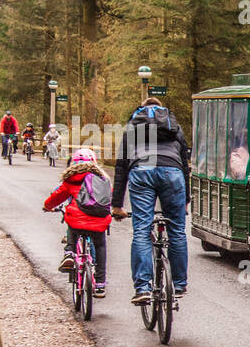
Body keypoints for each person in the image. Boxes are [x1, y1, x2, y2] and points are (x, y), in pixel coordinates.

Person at [110, 97, 191, 304]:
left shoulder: (133, 126)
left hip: (142, 171)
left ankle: (143, 288)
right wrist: (186, 200)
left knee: (141, 230)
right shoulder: (174, 126)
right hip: (172, 172)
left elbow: (121, 166)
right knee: (177, 231)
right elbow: (184, 164)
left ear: (142, 109)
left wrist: (117, 205)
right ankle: (179, 284)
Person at [43, 148, 113, 298]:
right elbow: (110, 196)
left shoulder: (70, 179)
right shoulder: (102, 179)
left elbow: (57, 196)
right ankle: (100, 283)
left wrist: (47, 206)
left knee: (72, 221)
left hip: (77, 221)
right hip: (99, 221)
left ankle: (69, 252)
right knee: (100, 245)